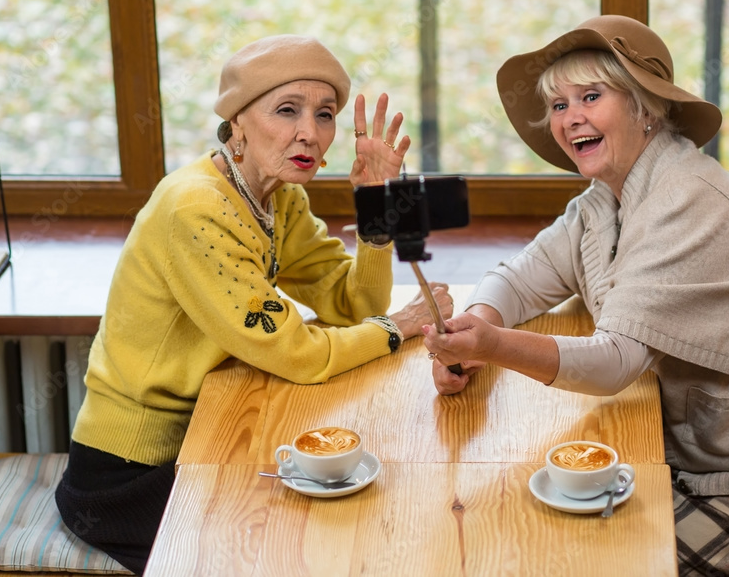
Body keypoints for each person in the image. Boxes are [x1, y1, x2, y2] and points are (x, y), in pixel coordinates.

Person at [424, 16, 729, 576]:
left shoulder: (689, 201)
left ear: (647, 108)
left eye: (591, 96)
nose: (571, 119)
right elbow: (519, 277)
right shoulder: (603, 198)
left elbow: (615, 363)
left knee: (618, 564)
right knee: (551, 536)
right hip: (713, 446)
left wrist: (493, 347)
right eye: (559, 105)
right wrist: (475, 325)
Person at [55, 35, 453, 574]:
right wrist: (397, 328)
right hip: (126, 476)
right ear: (236, 122)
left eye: (325, 114)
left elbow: (349, 303)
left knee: (341, 531)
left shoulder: (279, 196)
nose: (309, 132)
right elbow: (298, 353)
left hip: (205, 441)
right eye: (286, 111)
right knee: (278, 555)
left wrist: (376, 207)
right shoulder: (195, 208)